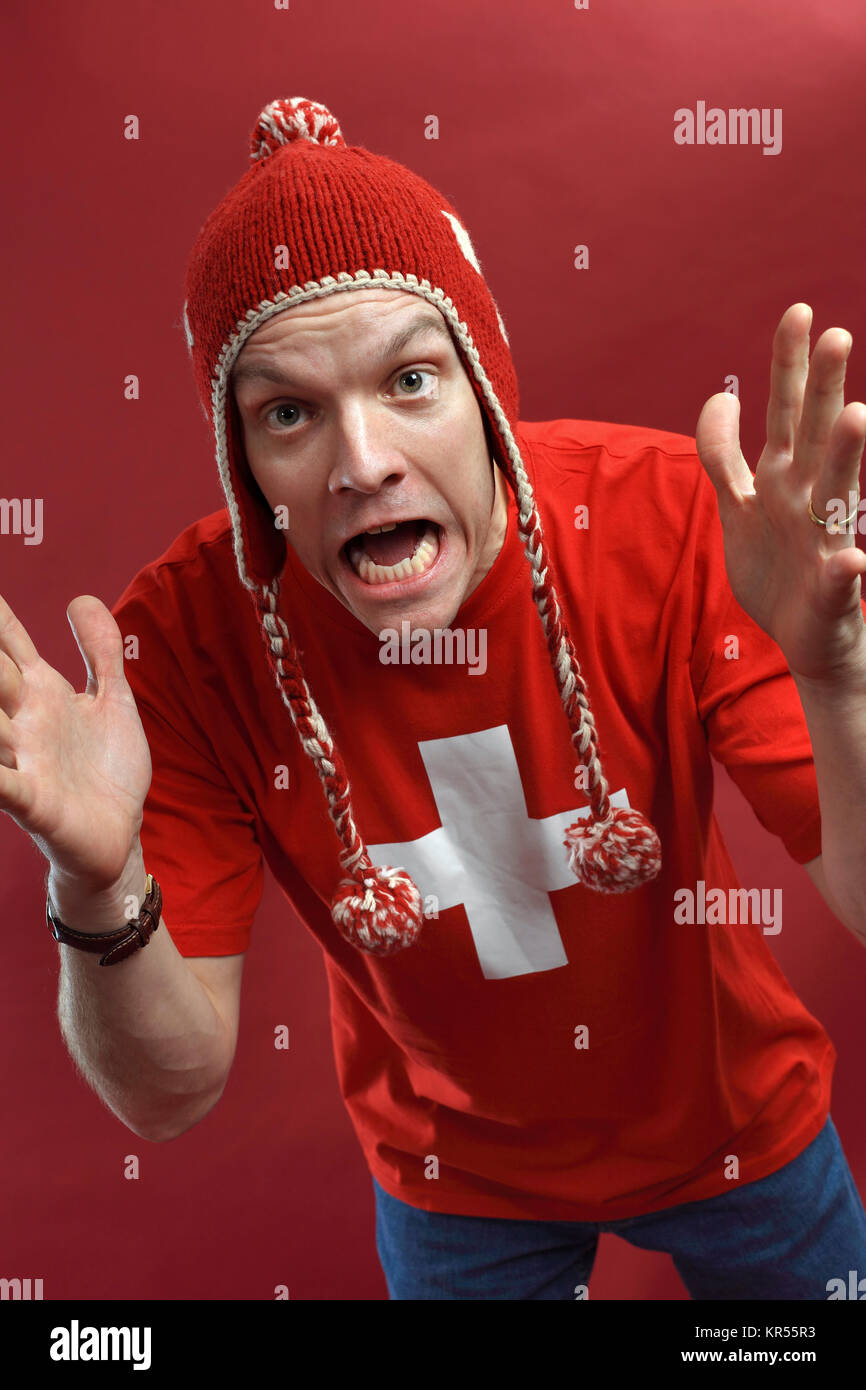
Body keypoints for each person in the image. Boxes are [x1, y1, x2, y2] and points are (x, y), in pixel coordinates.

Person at [2, 96, 866, 1301]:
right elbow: (167, 1093)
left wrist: (836, 677)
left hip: (735, 1121)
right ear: (241, 463)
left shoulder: (666, 517)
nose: (361, 463)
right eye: (288, 413)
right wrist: (95, 882)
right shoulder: (186, 644)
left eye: (410, 378)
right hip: (453, 1172)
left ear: (486, 391)